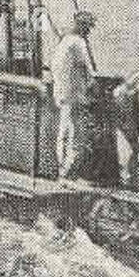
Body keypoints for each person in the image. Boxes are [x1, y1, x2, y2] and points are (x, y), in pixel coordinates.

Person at [49, 11, 97, 178]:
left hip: (61, 95)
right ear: (83, 26)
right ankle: (68, 172)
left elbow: (55, 67)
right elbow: (91, 72)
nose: (88, 31)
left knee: (64, 132)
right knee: (76, 136)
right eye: (88, 27)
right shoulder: (78, 43)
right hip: (73, 96)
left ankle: (62, 168)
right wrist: (91, 88)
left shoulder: (65, 42)